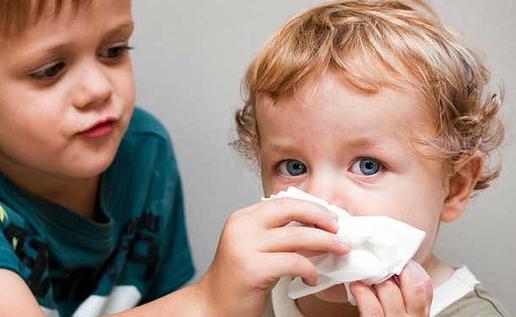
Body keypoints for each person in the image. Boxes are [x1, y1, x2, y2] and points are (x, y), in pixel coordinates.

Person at [0, 1, 351, 316]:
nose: (98, 88)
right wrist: (207, 301)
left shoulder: (143, 152)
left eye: (114, 50)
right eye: (50, 70)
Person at [233, 1, 509, 316]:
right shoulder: (251, 296)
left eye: (368, 166)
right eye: (293, 167)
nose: (319, 200)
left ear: (455, 186)